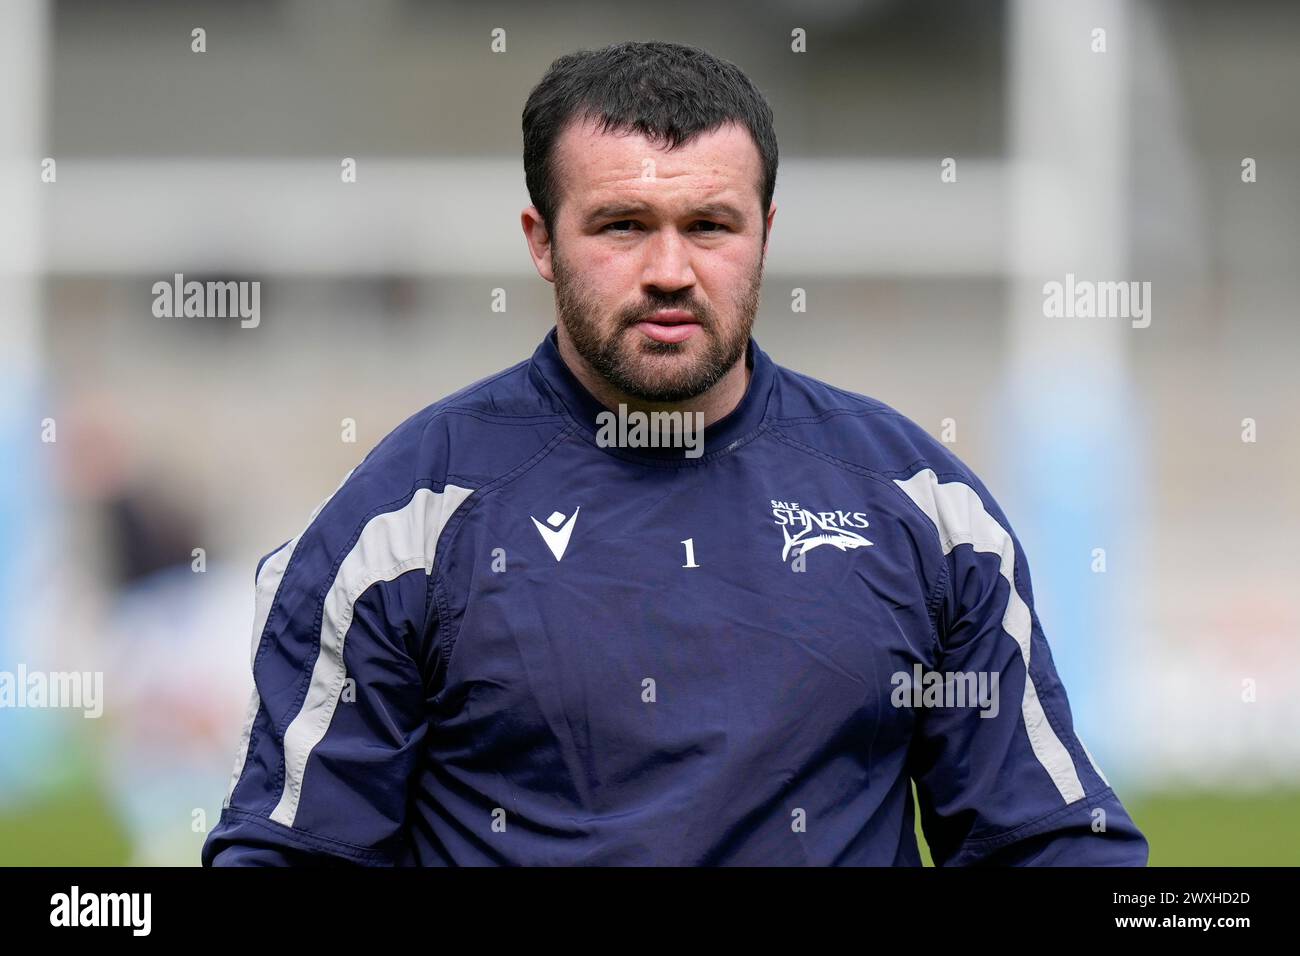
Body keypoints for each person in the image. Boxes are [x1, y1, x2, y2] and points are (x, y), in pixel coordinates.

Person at [203, 40, 1148, 866]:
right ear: (541, 241)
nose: (669, 271)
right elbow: (293, 852)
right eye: (622, 227)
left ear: (765, 235)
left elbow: (1045, 843)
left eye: (709, 226)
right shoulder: (401, 522)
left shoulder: (926, 512)